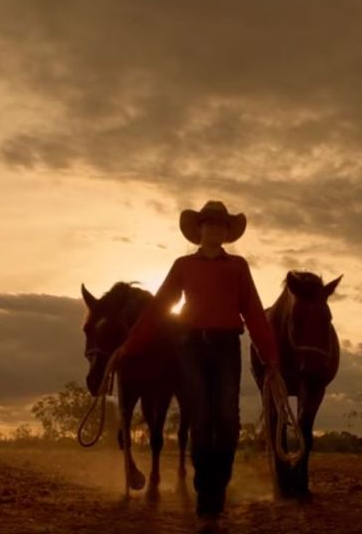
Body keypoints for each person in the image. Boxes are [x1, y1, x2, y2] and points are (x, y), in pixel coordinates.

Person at [119, 200, 279, 533]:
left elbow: (254, 314)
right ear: (199, 230)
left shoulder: (238, 267)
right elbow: (159, 309)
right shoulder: (183, 266)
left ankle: (216, 486)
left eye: (220, 225)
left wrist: (271, 358)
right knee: (202, 421)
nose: (214, 230)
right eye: (208, 224)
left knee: (227, 420)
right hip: (190, 345)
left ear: (225, 232)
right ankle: (208, 505)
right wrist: (129, 347)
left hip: (225, 347)